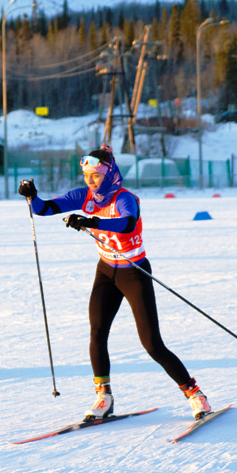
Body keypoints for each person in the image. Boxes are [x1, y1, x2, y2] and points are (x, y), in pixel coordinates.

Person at [18, 144, 212, 421]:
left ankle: (195, 394)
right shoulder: (83, 196)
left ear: (108, 174)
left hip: (134, 272)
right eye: (86, 175)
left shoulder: (125, 198)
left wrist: (91, 222)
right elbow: (45, 209)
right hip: (106, 272)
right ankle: (104, 397)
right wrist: (32, 197)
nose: (90, 180)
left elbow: (127, 224)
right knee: (97, 333)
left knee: (152, 344)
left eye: (95, 175)